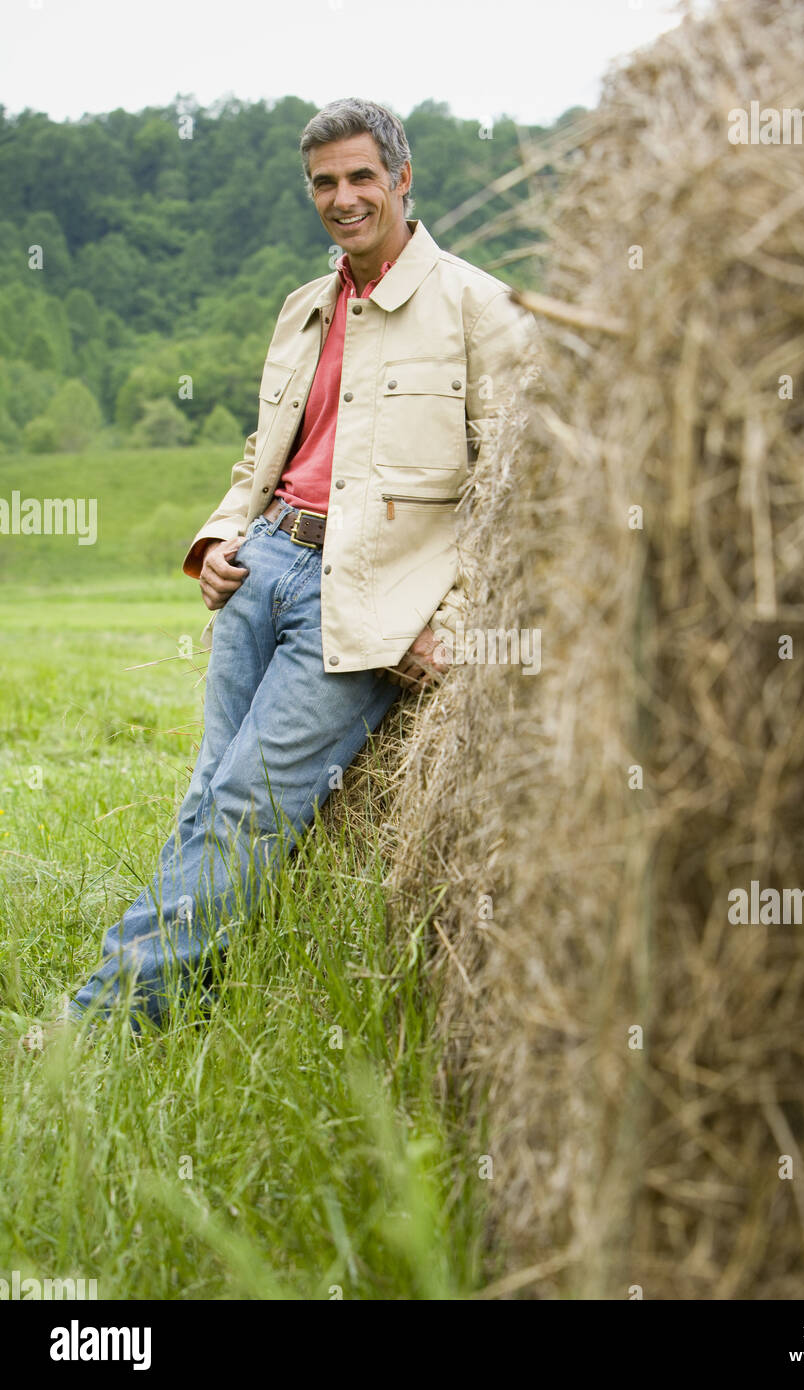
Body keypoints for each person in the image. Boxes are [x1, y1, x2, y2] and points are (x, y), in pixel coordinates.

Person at [27, 96, 537, 1043]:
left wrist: (454, 625)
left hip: (365, 602)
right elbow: (267, 452)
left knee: (243, 810)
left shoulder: (480, 306)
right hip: (261, 572)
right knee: (208, 794)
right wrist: (221, 540)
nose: (342, 199)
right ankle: (191, 1002)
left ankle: (98, 1022)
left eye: (359, 178)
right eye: (323, 183)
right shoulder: (303, 308)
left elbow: (517, 494)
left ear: (402, 179)